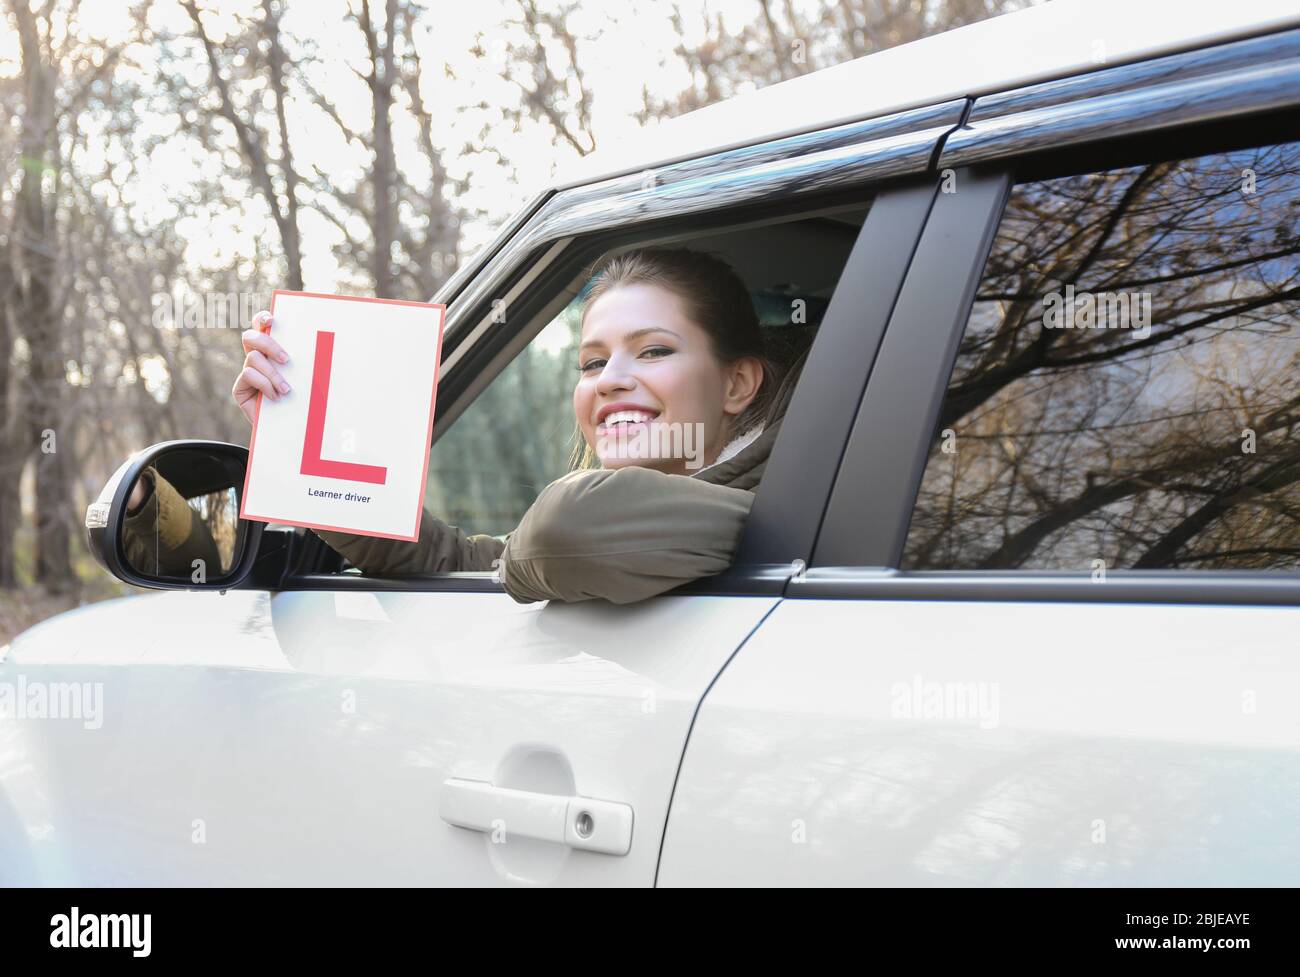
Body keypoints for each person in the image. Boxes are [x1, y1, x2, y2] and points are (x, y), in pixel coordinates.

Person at [132, 247, 801, 603]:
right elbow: (451, 562)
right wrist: (298, 425)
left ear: (738, 383)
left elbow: (564, 530)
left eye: (653, 350)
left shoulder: (789, 507)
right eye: (592, 361)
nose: (611, 379)